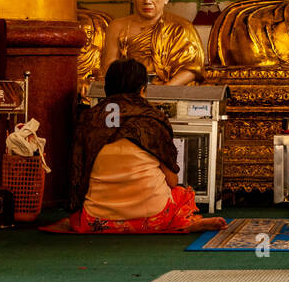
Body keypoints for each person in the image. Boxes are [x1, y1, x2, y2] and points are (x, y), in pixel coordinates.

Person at [66, 58, 226, 234]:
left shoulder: (89, 118)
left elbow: (77, 176)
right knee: (181, 194)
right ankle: (182, 221)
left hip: (96, 219)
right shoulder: (152, 118)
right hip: (154, 217)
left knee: (79, 213)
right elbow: (172, 180)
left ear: (106, 88)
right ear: (143, 90)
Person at [102, 0, 204, 85]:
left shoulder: (181, 27)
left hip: (170, 92)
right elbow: (109, 68)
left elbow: (193, 68)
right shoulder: (118, 26)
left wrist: (165, 91)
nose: (147, 1)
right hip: (129, 92)